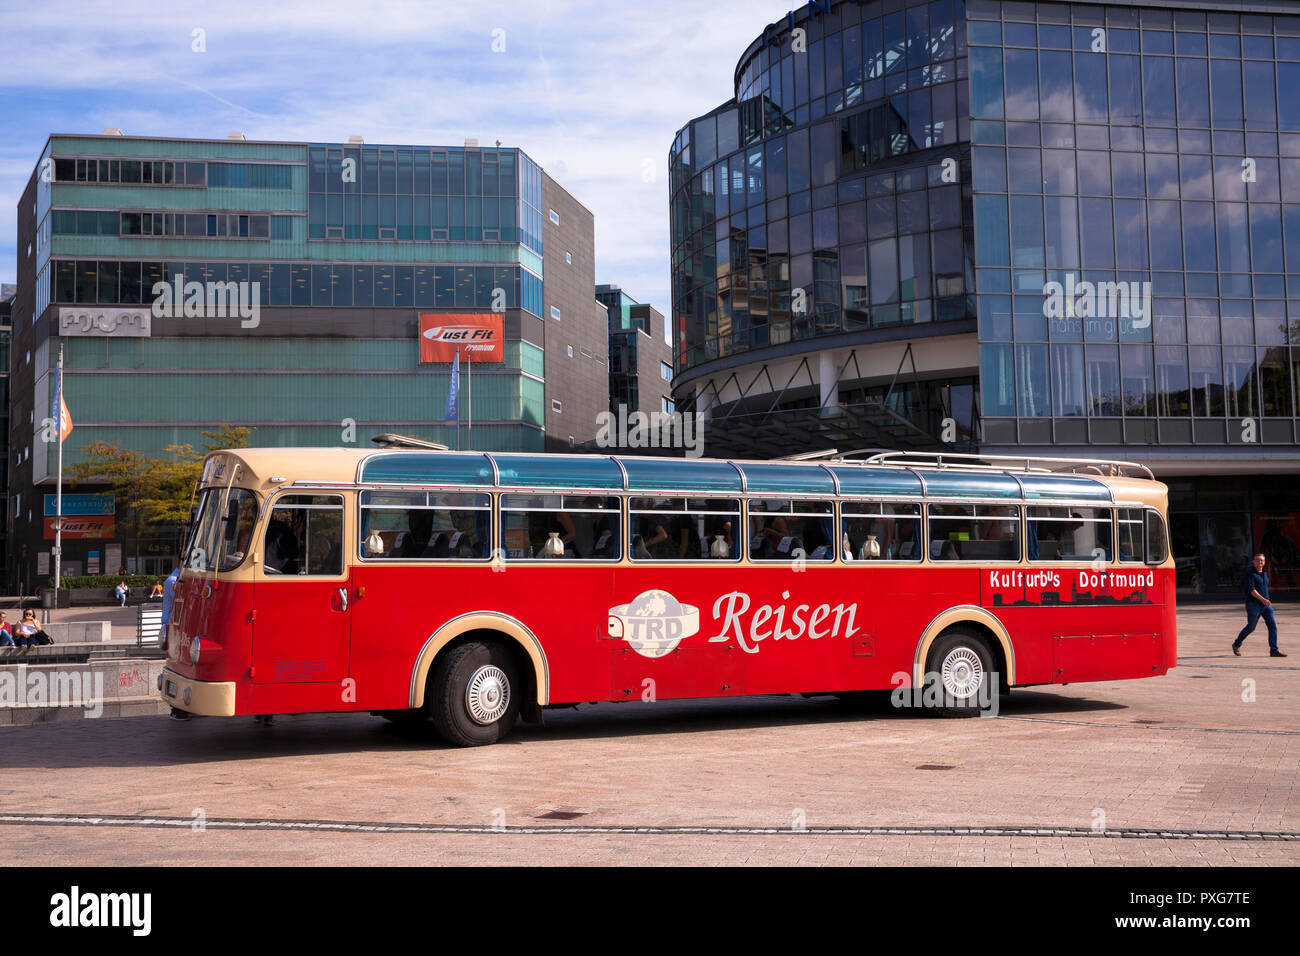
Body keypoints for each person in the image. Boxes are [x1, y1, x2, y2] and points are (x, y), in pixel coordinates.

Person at [1234, 553, 1286, 657]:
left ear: (1264, 562)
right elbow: (1252, 590)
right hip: (1253, 605)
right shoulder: (1250, 574)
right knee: (1251, 627)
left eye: (1262, 560)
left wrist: (1266, 600)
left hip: (1266, 606)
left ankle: (1274, 650)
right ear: (1253, 562)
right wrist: (1263, 599)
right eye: (1257, 560)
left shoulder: (1265, 573)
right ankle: (1236, 644)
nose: (1260, 562)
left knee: (1273, 626)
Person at [161, 564, 181, 647]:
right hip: (170, 621)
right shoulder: (173, 580)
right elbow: (178, 598)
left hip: (170, 620)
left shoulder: (175, 578)